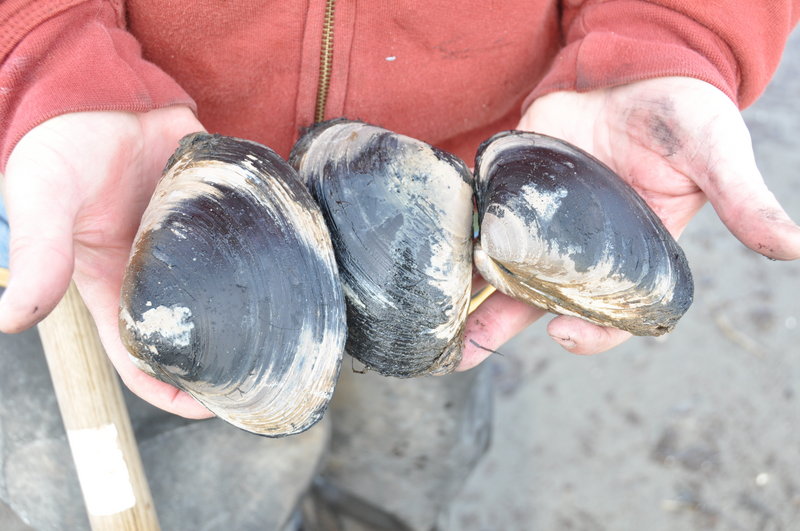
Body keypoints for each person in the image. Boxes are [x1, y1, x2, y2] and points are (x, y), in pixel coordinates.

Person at [0, 1, 798, 529]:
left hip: (442, 210)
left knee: (410, 454)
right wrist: (43, 56)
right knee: (164, 490)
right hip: (119, 179)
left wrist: (669, 30)